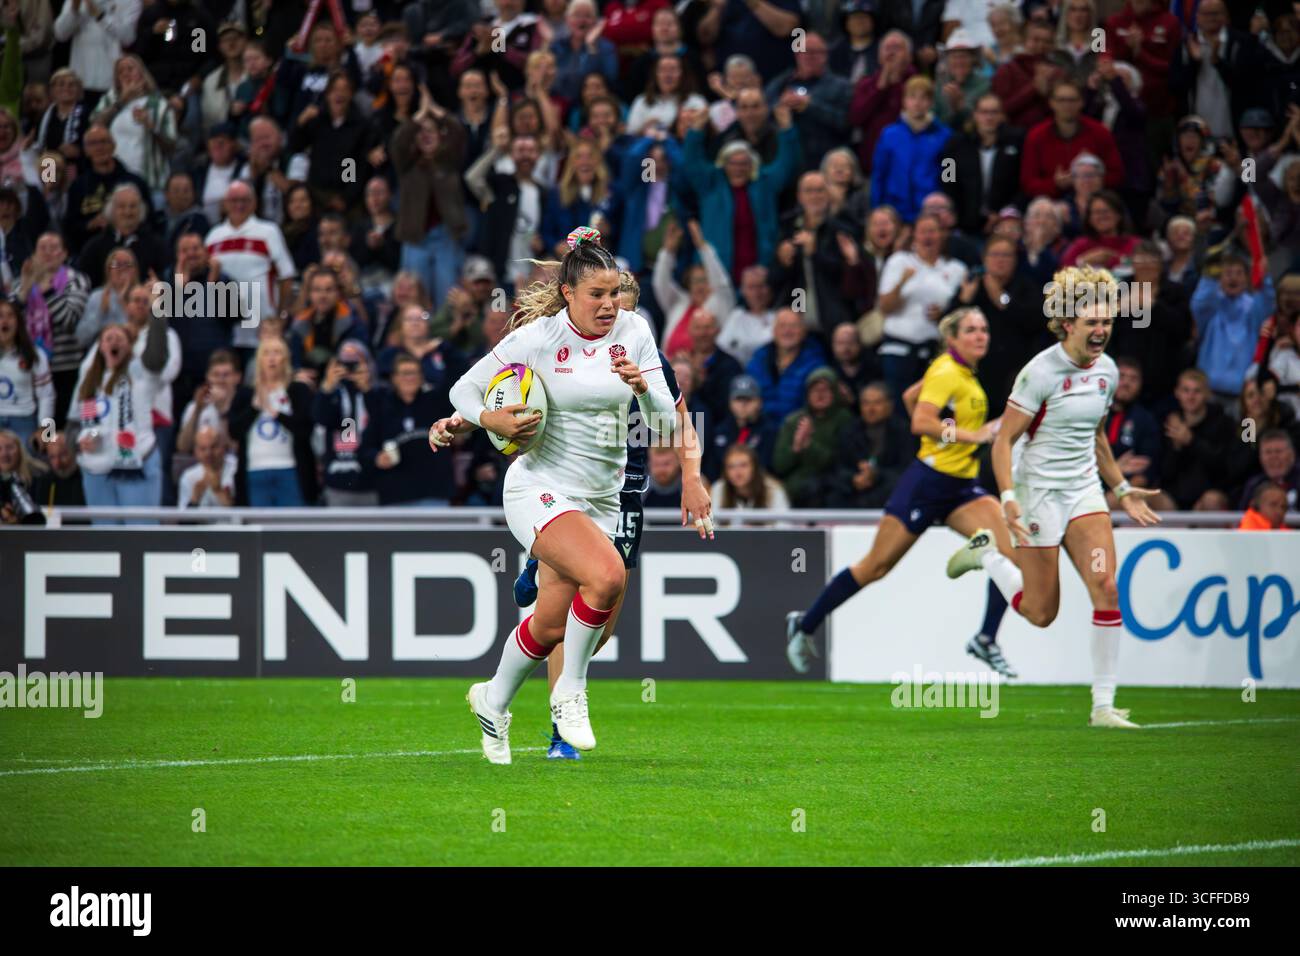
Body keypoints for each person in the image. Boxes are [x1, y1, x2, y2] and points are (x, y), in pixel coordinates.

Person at [433, 229, 701, 765]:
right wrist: (482, 418)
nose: (609, 304)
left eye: (615, 293)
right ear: (569, 294)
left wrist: (644, 389)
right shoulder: (539, 338)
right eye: (597, 294)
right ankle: (570, 696)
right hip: (540, 487)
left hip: (604, 497)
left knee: (553, 623)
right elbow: (465, 387)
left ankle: (493, 698)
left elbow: (660, 424)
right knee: (607, 576)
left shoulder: (635, 331)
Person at [948, 266, 1162, 728]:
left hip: (1084, 491)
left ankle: (1103, 706)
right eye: (1092, 323)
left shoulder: (1106, 371)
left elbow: (1098, 436)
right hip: (1038, 494)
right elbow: (1003, 441)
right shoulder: (1039, 374)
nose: (1102, 330)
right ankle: (987, 556)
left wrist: (1121, 490)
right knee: (1040, 613)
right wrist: (1007, 498)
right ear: (1068, 325)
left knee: (1106, 588)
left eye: (1107, 322)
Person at [786, 307, 1020, 678]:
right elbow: (919, 422)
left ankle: (986, 639)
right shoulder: (948, 372)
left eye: (984, 330)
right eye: (972, 330)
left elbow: (913, 396)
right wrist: (970, 435)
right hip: (927, 483)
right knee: (875, 567)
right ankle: (805, 623)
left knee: (1009, 547)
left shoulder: (956, 371)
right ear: (953, 338)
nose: (981, 336)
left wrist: (954, 432)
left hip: (961, 487)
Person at [67, 309, 169, 521]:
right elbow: (74, 424)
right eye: (108, 338)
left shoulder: (141, 372)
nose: (114, 342)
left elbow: (157, 357)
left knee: (141, 533)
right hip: (96, 468)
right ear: (101, 347)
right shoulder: (88, 381)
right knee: (104, 540)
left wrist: (157, 310)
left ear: (129, 346)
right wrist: (80, 442)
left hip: (137, 464)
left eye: (120, 338)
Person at [227, 337, 316, 507]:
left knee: (291, 526)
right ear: (259, 359)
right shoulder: (246, 394)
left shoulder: (297, 390)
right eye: (267, 353)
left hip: (289, 468)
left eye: (277, 353)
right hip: (255, 470)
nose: (272, 358)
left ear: (286, 359)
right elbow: (234, 431)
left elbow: (305, 429)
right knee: (260, 529)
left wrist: (278, 415)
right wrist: (254, 409)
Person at [770, 366, 853, 507]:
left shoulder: (845, 420)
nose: (819, 395)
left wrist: (808, 445)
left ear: (834, 392)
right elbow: (779, 466)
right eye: (814, 390)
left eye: (825, 390)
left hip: (832, 486)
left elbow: (841, 462)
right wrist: (796, 447)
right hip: (795, 489)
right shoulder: (794, 421)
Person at [830, 381, 913, 508]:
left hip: (886, 490)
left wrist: (876, 475)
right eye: (866, 403)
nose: (871, 409)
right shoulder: (849, 431)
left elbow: (907, 470)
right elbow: (838, 467)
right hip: (854, 490)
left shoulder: (903, 431)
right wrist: (853, 478)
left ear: (890, 405)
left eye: (877, 403)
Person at [0, 299, 53, 445]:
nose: (4, 321)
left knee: (34, 464)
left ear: (18, 322)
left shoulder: (35, 354)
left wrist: (45, 432)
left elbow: (47, 396)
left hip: (24, 421)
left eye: (10, 316)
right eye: (0, 316)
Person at [712, 442, 789, 510]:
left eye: (743, 465)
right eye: (731, 467)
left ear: (754, 467)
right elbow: (712, 524)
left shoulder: (773, 489)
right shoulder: (719, 489)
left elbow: (783, 524)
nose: (738, 472)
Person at [177, 424, 235, 509]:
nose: (208, 453)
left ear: (223, 447)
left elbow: (245, 516)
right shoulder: (188, 477)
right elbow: (183, 520)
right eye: (203, 449)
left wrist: (218, 491)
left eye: (214, 447)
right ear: (195, 452)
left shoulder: (236, 470)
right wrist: (195, 499)